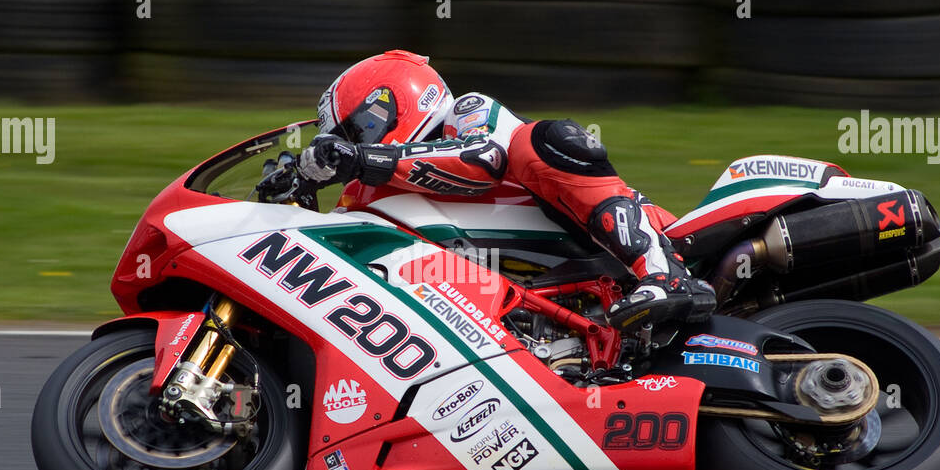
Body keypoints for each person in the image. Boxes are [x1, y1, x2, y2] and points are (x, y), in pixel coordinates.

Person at [296, 49, 716, 329]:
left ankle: (663, 272)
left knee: (542, 140)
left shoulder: (466, 113)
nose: (356, 144)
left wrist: (365, 158)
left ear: (397, 101)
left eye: (359, 130)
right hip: (541, 285)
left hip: (633, 232)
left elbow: (483, 159)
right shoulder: (379, 189)